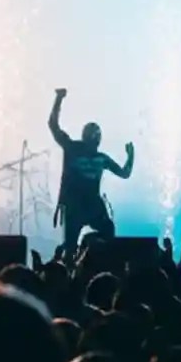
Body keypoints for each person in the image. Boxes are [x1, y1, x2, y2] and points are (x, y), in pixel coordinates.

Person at [48, 88, 134, 256]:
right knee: (73, 247)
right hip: (78, 206)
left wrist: (131, 156)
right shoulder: (74, 148)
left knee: (105, 233)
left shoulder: (90, 154)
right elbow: (53, 125)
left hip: (87, 206)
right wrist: (58, 99)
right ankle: (75, 258)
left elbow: (124, 173)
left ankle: (84, 250)